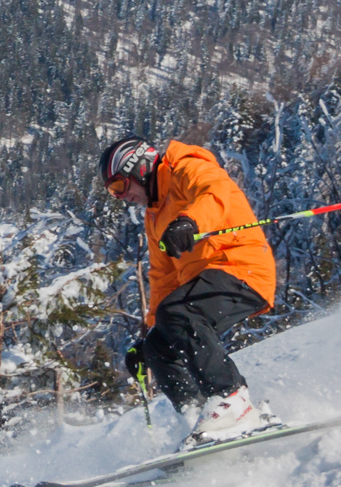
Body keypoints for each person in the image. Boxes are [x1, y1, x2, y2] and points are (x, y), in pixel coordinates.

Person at [99, 136, 283, 449]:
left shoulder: (185, 166)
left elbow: (215, 192)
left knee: (177, 313)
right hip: (208, 282)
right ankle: (200, 416)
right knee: (161, 343)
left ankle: (232, 400)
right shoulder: (154, 215)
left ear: (138, 167)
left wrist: (189, 220)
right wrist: (147, 335)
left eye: (119, 186)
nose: (121, 197)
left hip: (242, 268)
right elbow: (164, 278)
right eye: (113, 193)